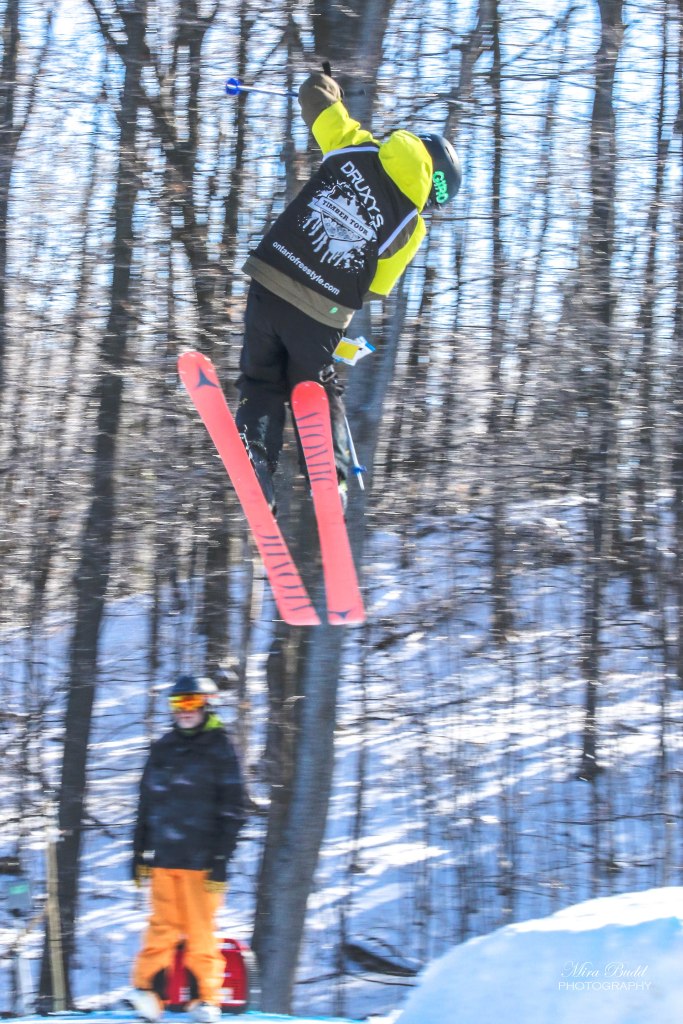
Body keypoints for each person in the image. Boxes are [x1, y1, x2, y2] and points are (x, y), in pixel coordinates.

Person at [235, 65, 462, 513]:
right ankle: (329, 473)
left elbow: (314, 96)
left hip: (271, 277)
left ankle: (257, 458)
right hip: (322, 310)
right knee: (316, 385)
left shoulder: (355, 145)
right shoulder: (412, 225)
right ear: (433, 189)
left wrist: (328, 83)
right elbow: (376, 286)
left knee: (261, 378)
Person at [128, 675, 246, 1024]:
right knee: (160, 928)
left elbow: (233, 808)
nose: (185, 710)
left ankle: (205, 999)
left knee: (200, 931)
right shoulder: (163, 748)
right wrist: (139, 852)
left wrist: (222, 858)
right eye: (178, 703)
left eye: (191, 702)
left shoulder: (220, 748)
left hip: (202, 861)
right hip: (165, 857)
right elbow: (147, 803)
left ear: (206, 704)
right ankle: (148, 993)